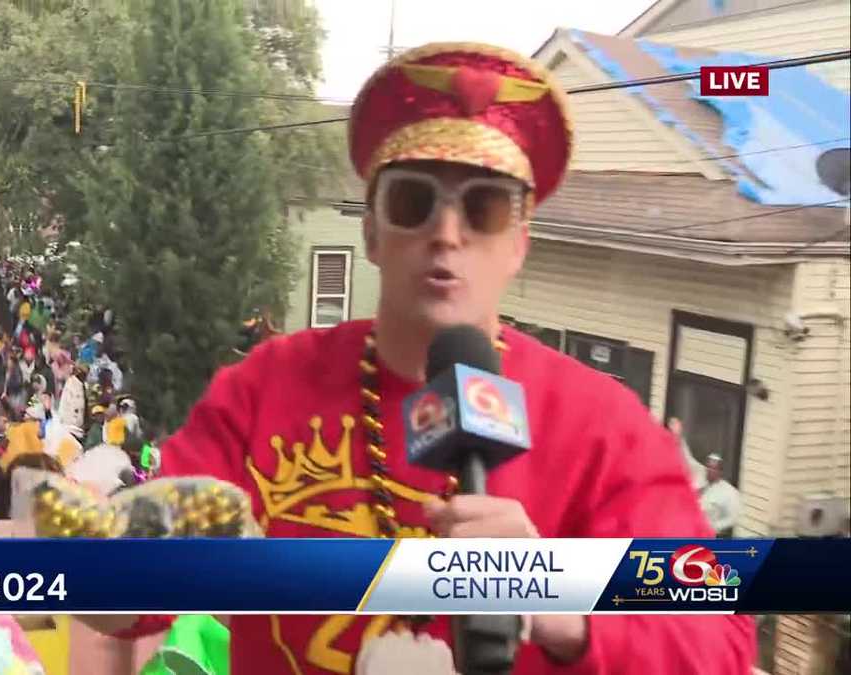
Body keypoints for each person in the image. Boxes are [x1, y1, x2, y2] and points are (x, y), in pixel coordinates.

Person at [80, 42, 755, 673]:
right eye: (413, 201)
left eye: (484, 207)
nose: (447, 232)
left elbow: (721, 638)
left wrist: (563, 604)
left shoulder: (606, 428)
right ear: (371, 229)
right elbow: (133, 592)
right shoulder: (265, 386)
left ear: (520, 241)